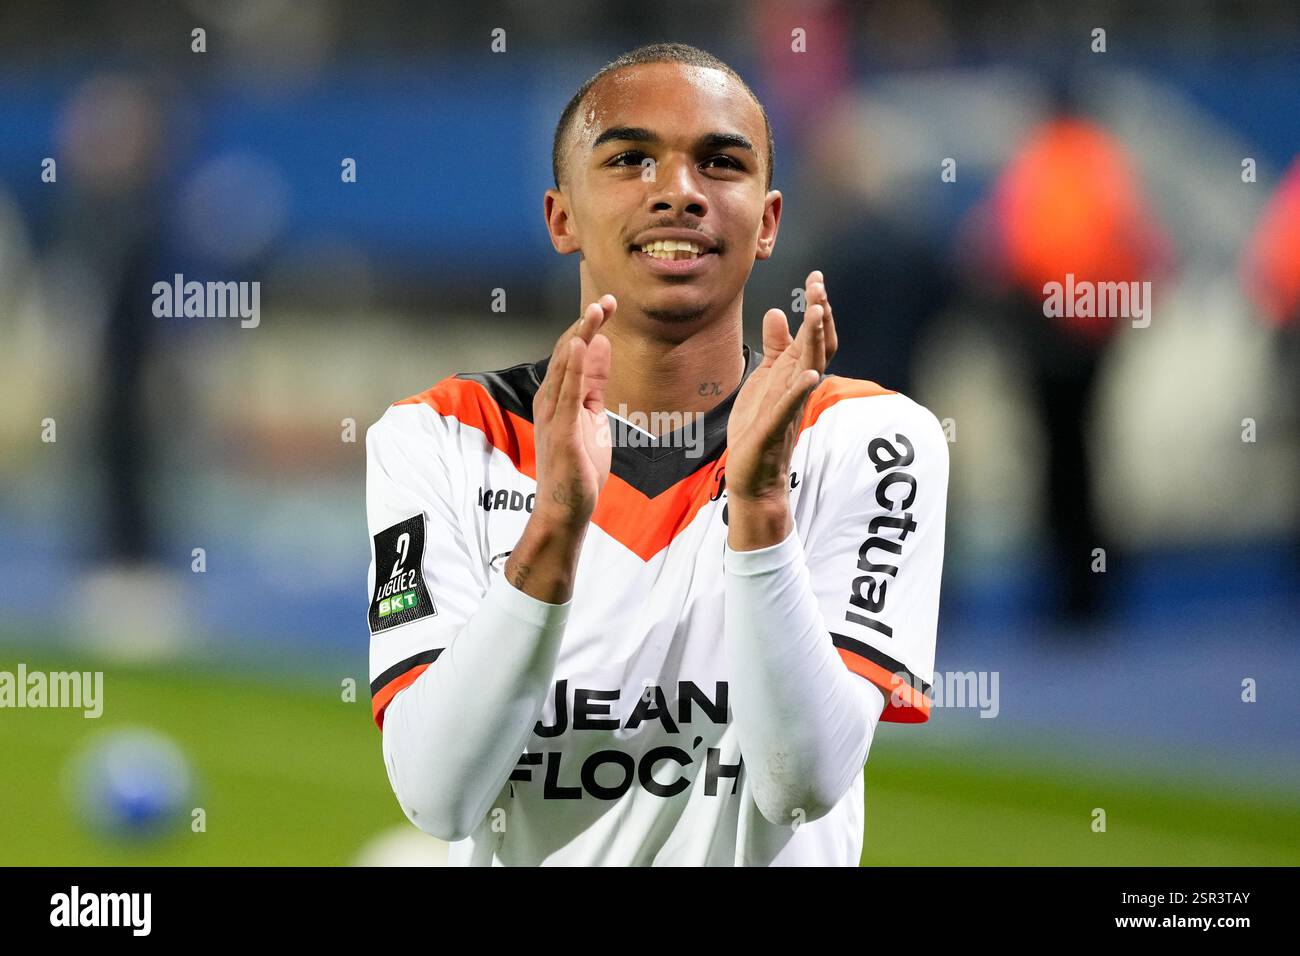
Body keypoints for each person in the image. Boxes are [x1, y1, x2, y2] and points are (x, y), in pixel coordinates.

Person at [366, 43, 948, 866]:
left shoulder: (871, 439)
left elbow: (802, 782)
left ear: (769, 221)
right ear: (560, 216)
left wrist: (761, 513)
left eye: (720, 163)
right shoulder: (443, 436)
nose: (678, 192)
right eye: (631, 159)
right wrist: (556, 528)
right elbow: (438, 795)